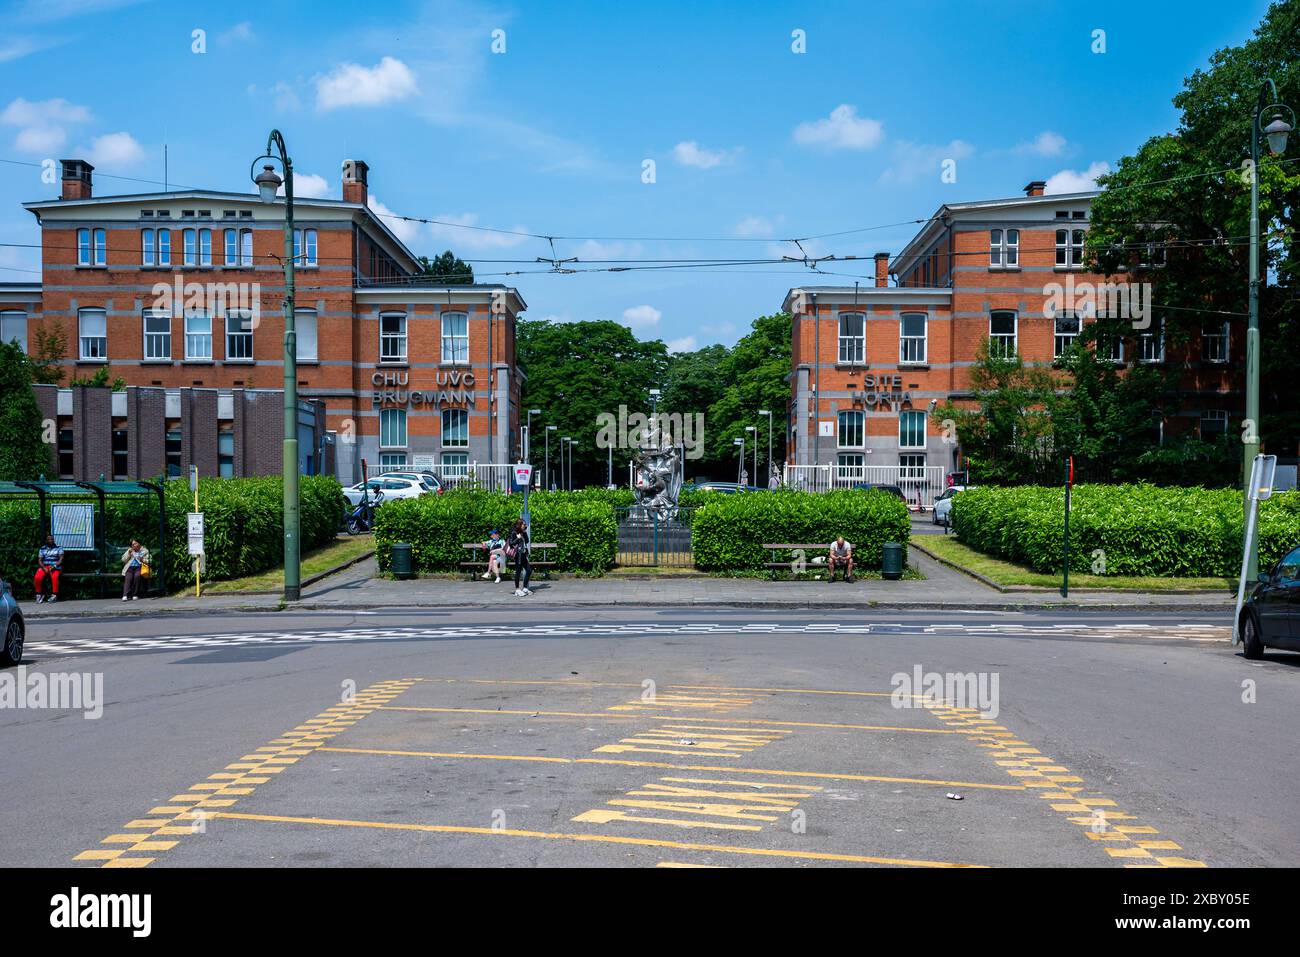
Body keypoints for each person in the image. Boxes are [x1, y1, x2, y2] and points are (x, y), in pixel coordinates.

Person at [34, 534, 64, 603]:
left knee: (54, 577)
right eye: (49, 539)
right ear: (46, 540)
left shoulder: (59, 548)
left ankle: (54, 595)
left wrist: (54, 566)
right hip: (45, 566)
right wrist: (44, 568)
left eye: (52, 539)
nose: (51, 540)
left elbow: (61, 559)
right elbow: (40, 560)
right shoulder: (42, 548)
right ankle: (39, 595)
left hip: (55, 566)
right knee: (37, 577)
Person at [506, 518, 532, 597]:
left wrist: (524, 532)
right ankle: (517, 589)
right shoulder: (514, 532)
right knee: (518, 571)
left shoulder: (522, 532)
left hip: (523, 554)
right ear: (519, 525)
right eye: (524, 524)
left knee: (529, 570)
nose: (525, 526)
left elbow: (527, 541)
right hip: (518, 555)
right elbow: (511, 544)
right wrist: (518, 538)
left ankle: (524, 588)